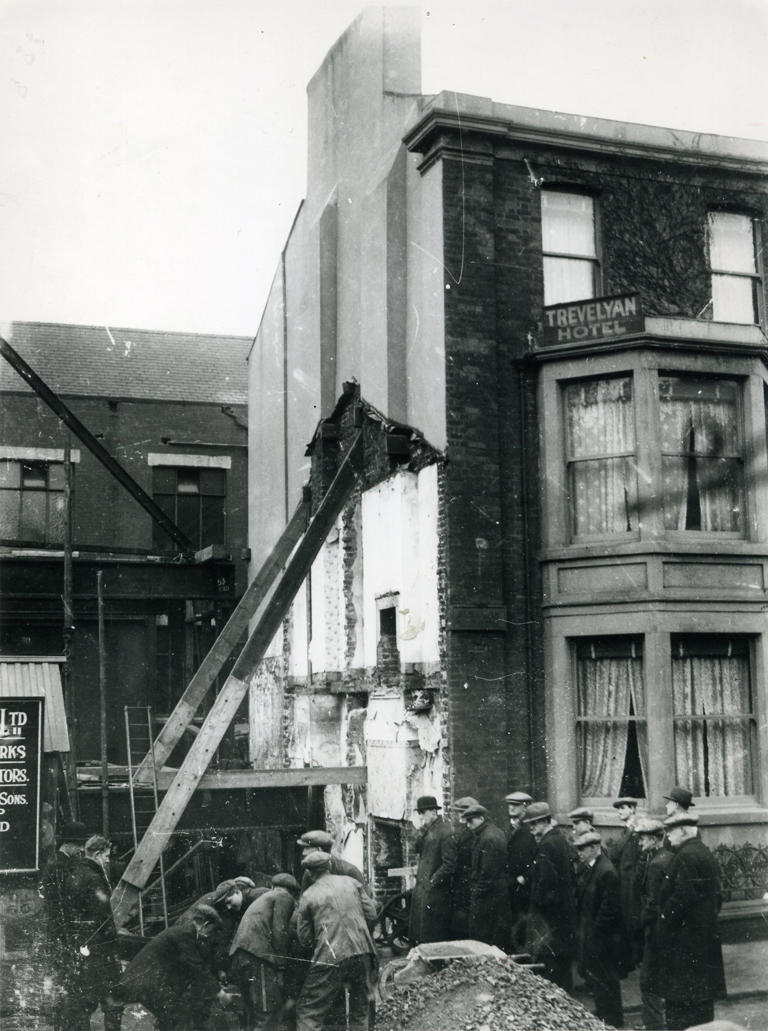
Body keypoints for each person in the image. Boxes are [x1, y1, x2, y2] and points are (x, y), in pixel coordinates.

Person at [657, 812, 726, 1030]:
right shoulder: (703, 852)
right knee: (702, 1005)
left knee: (681, 1007)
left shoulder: (686, 855)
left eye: (671, 831)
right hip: (703, 939)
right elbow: (717, 896)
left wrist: (664, 917)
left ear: (683, 830)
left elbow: (683, 895)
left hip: (685, 944)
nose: (668, 836)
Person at [294, 850, 378, 1031]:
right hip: (363, 953)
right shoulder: (352, 883)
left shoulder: (308, 895)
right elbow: (372, 915)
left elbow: (304, 938)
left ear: (310, 873)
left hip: (330, 955)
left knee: (308, 1010)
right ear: (330, 866)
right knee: (360, 1010)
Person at [116, 903, 233, 1031]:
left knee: (172, 1015)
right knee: (179, 1016)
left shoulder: (183, 932)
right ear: (205, 925)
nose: (208, 936)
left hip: (144, 980)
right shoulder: (185, 935)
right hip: (146, 982)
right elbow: (197, 967)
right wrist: (219, 992)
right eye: (210, 931)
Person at [229, 873, 300, 1031]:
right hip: (257, 957)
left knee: (251, 1014)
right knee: (267, 1013)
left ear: (273, 886)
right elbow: (280, 932)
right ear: (293, 892)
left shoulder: (264, 899)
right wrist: (281, 966)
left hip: (240, 955)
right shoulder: (284, 897)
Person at [39, 820, 91, 1031]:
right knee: (68, 982)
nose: (80, 850)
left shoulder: (56, 862)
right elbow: (62, 905)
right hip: (62, 933)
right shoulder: (61, 866)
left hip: (57, 932)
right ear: (70, 844)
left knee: (64, 982)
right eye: (79, 846)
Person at [523, 801, 577, 992]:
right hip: (563, 913)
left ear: (545, 822)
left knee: (551, 965)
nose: (531, 828)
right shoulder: (559, 840)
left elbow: (547, 881)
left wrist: (537, 906)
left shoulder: (546, 845)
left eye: (534, 824)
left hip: (551, 917)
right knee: (562, 964)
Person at [573, 829, 624, 1028]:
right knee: (600, 983)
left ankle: (612, 1022)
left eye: (582, 849)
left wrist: (595, 935)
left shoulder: (606, 871)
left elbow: (609, 910)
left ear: (594, 848)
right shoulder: (593, 868)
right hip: (595, 937)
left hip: (604, 941)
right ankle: (606, 1020)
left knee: (606, 983)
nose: (579, 853)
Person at [634, 816, 673, 1031]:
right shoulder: (667, 858)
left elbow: (652, 903)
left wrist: (639, 923)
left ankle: (654, 1026)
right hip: (667, 929)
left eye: (643, 838)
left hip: (655, 931)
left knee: (648, 982)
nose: (640, 842)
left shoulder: (656, 865)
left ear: (656, 839)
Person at [461, 802, 511, 949]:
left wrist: (476, 894)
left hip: (489, 899)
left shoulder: (489, 838)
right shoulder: (489, 833)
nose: (468, 826)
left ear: (481, 818)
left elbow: (488, 873)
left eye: (471, 821)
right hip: (492, 896)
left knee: (485, 939)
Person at [408, 795, 456, 944]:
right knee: (422, 933)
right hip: (424, 891)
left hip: (435, 893)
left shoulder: (445, 831)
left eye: (423, 812)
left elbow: (450, 863)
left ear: (433, 811)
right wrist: (420, 830)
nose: (421, 816)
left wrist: (432, 881)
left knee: (432, 935)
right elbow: (416, 848)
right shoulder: (429, 829)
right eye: (419, 813)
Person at [609, 796, 643, 974]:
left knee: (634, 917)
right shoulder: (626, 831)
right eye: (618, 808)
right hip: (624, 880)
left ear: (632, 809)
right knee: (627, 917)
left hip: (632, 881)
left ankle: (638, 957)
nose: (619, 812)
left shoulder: (636, 830)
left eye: (623, 808)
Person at [504, 792, 536, 952]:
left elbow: (538, 858)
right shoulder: (510, 827)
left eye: (515, 805)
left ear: (526, 807)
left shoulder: (531, 828)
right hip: (512, 884)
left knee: (525, 927)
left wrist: (525, 877)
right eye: (510, 805)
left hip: (525, 886)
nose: (511, 808)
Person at [447, 796, 480, 939]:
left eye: (462, 812)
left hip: (468, 883)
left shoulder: (473, 833)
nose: (459, 816)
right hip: (461, 882)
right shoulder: (465, 831)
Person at [296, 829, 365, 890]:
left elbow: (365, 898)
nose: (303, 853)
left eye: (307, 848)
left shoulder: (349, 871)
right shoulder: (310, 873)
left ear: (319, 850)